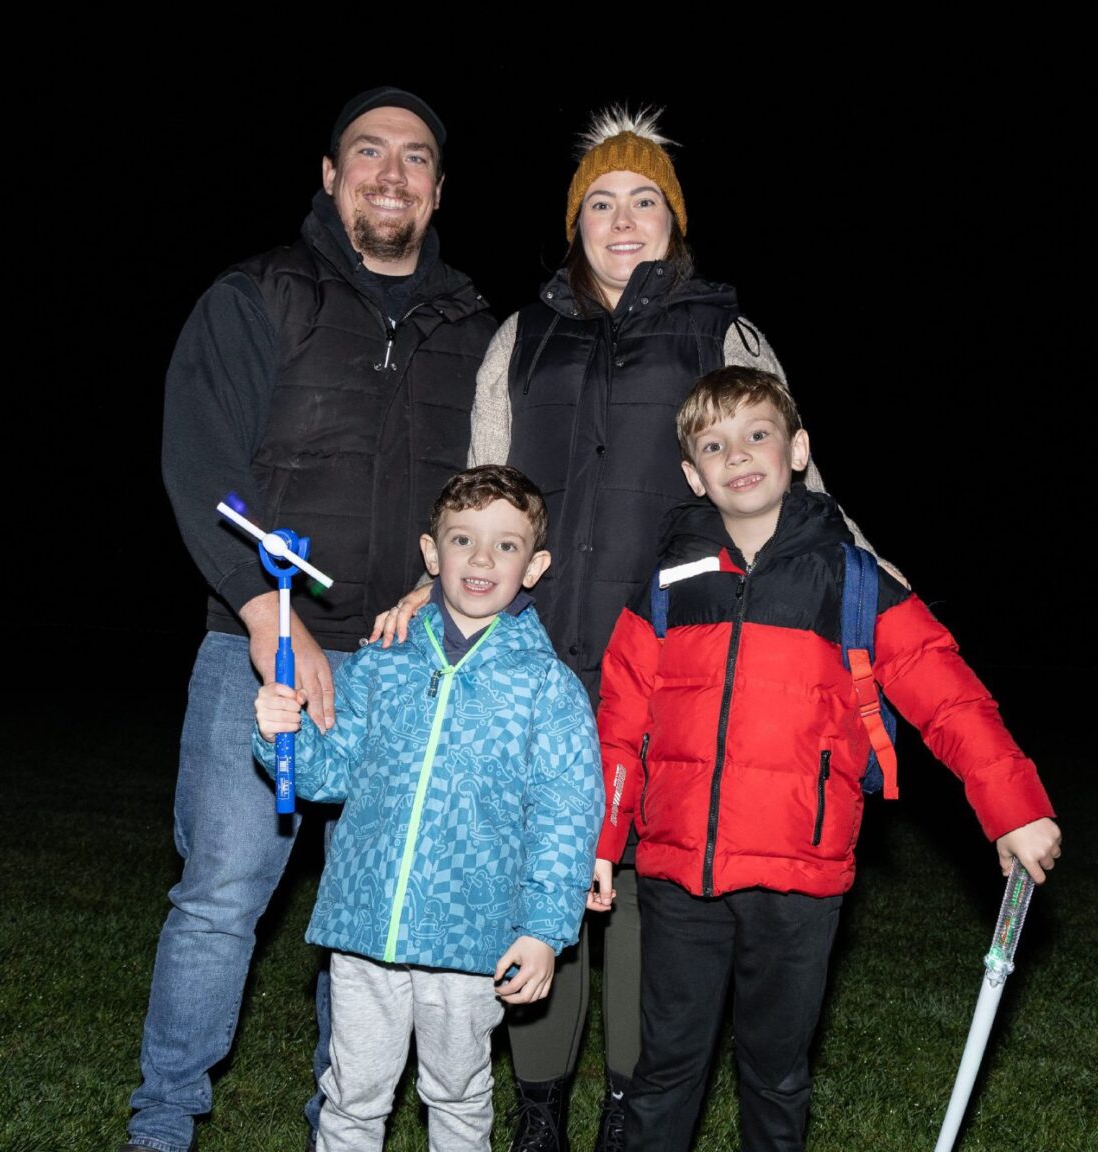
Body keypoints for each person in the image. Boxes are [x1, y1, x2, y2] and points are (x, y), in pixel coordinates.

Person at [375, 105, 889, 1152]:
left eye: (643, 200)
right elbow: (482, 478)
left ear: (674, 221)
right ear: (577, 221)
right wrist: (431, 585)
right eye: (600, 201)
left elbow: (795, 486)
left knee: (654, 889)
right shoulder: (525, 335)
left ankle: (630, 1098)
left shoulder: (725, 332)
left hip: (683, 653)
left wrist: (879, 584)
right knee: (548, 871)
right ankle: (538, 1100)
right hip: (543, 643)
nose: (621, 219)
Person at [122, 87, 497, 1152]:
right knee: (221, 899)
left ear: (436, 190)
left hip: (401, 662)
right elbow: (199, 468)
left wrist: (441, 589)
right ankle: (163, 1126)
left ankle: (345, 1124)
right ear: (329, 178)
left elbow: (491, 485)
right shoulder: (256, 297)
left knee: (368, 917)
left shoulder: (470, 325)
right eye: (367, 152)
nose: (391, 173)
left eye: (415, 157)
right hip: (260, 650)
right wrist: (260, 609)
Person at [594, 365, 1062, 1152]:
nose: (737, 454)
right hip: (678, 874)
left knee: (774, 1072)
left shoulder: (852, 580)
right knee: (664, 1070)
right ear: (691, 473)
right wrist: (604, 840)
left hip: (797, 875)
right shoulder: (668, 586)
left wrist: (1012, 808)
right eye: (714, 444)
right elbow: (619, 723)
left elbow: (949, 700)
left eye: (757, 434)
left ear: (798, 448)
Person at [253, 464, 604, 1152]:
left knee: (457, 1092)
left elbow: (566, 813)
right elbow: (326, 775)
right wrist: (277, 736)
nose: (480, 559)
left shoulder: (545, 687)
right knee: (351, 1093)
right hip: (366, 926)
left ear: (533, 566)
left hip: (471, 936)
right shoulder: (380, 662)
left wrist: (541, 929)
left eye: (505, 545)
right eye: (462, 539)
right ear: (429, 553)